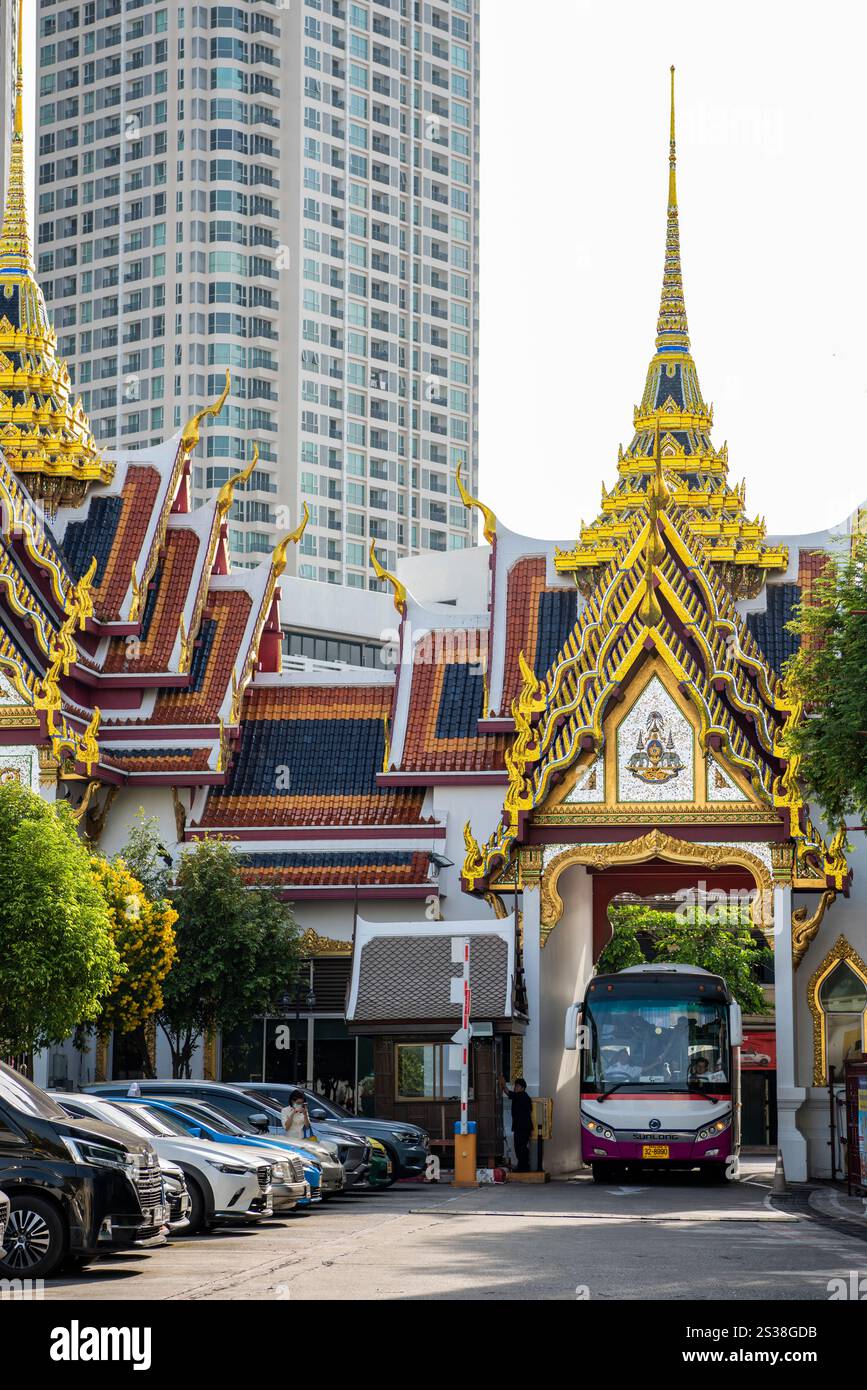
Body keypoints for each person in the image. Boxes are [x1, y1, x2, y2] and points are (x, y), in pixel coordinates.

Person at [499, 1075, 534, 1172]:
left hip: (522, 1127)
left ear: (522, 1088)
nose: (515, 1088)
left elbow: (507, 1092)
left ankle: (523, 1167)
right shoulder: (524, 1097)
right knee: (521, 1147)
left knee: (520, 1147)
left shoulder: (521, 1096)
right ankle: (523, 1166)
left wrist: (503, 1084)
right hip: (523, 1126)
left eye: (517, 1086)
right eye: (515, 1086)